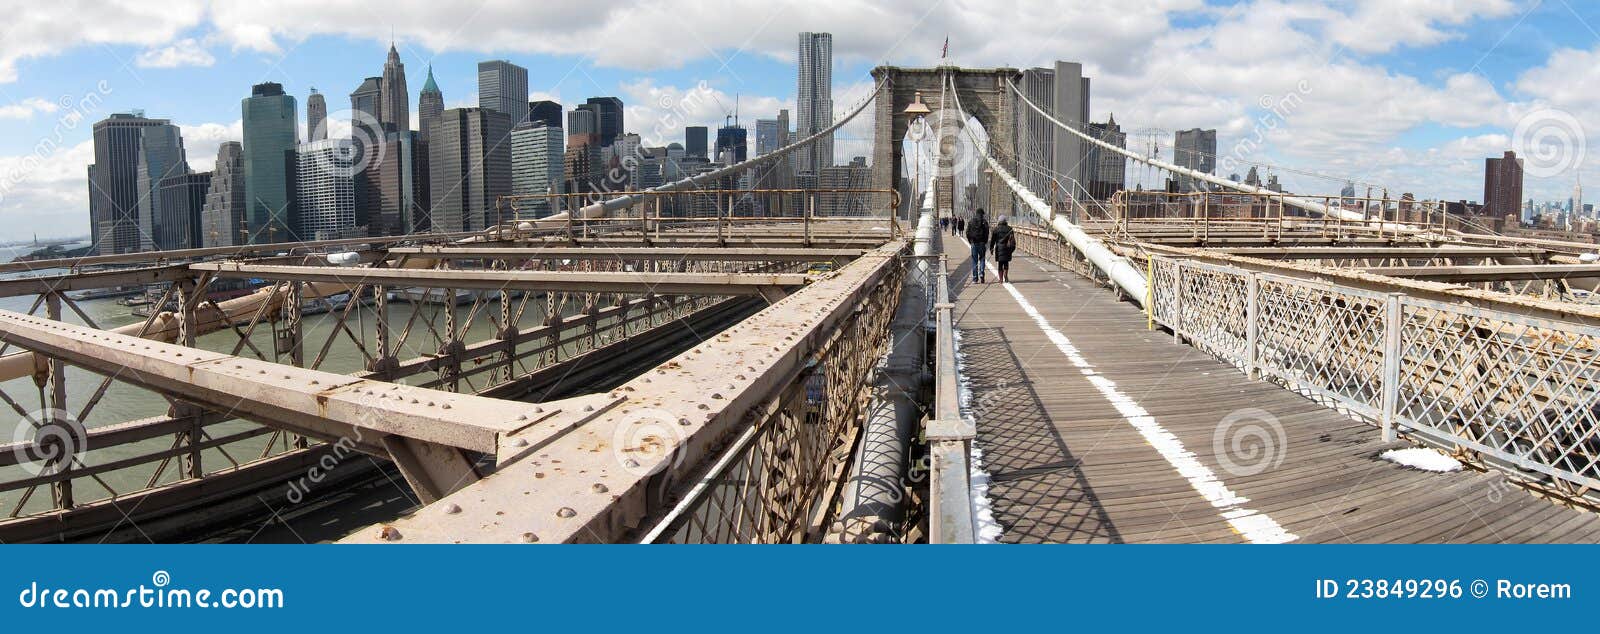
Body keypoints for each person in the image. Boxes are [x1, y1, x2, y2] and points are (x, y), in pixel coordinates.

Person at [965, 208, 990, 283]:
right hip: (982, 243)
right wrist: (985, 241)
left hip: (974, 243)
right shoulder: (984, 222)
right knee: (982, 259)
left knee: (974, 261)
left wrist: (970, 241)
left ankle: (975, 278)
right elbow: (987, 233)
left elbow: (967, 232)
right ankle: (981, 273)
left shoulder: (971, 221)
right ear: (982, 214)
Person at [991, 215, 1016, 284]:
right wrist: (1012, 249)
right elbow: (1013, 240)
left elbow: (993, 240)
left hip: (999, 248)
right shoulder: (1009, 229)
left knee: (1000, 264)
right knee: (1006, 263)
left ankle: (1001, 279)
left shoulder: (996, 229)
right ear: (1005, 221)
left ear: (999, 221)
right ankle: (1006, 275)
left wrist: (991, 248)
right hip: (1007, 248)